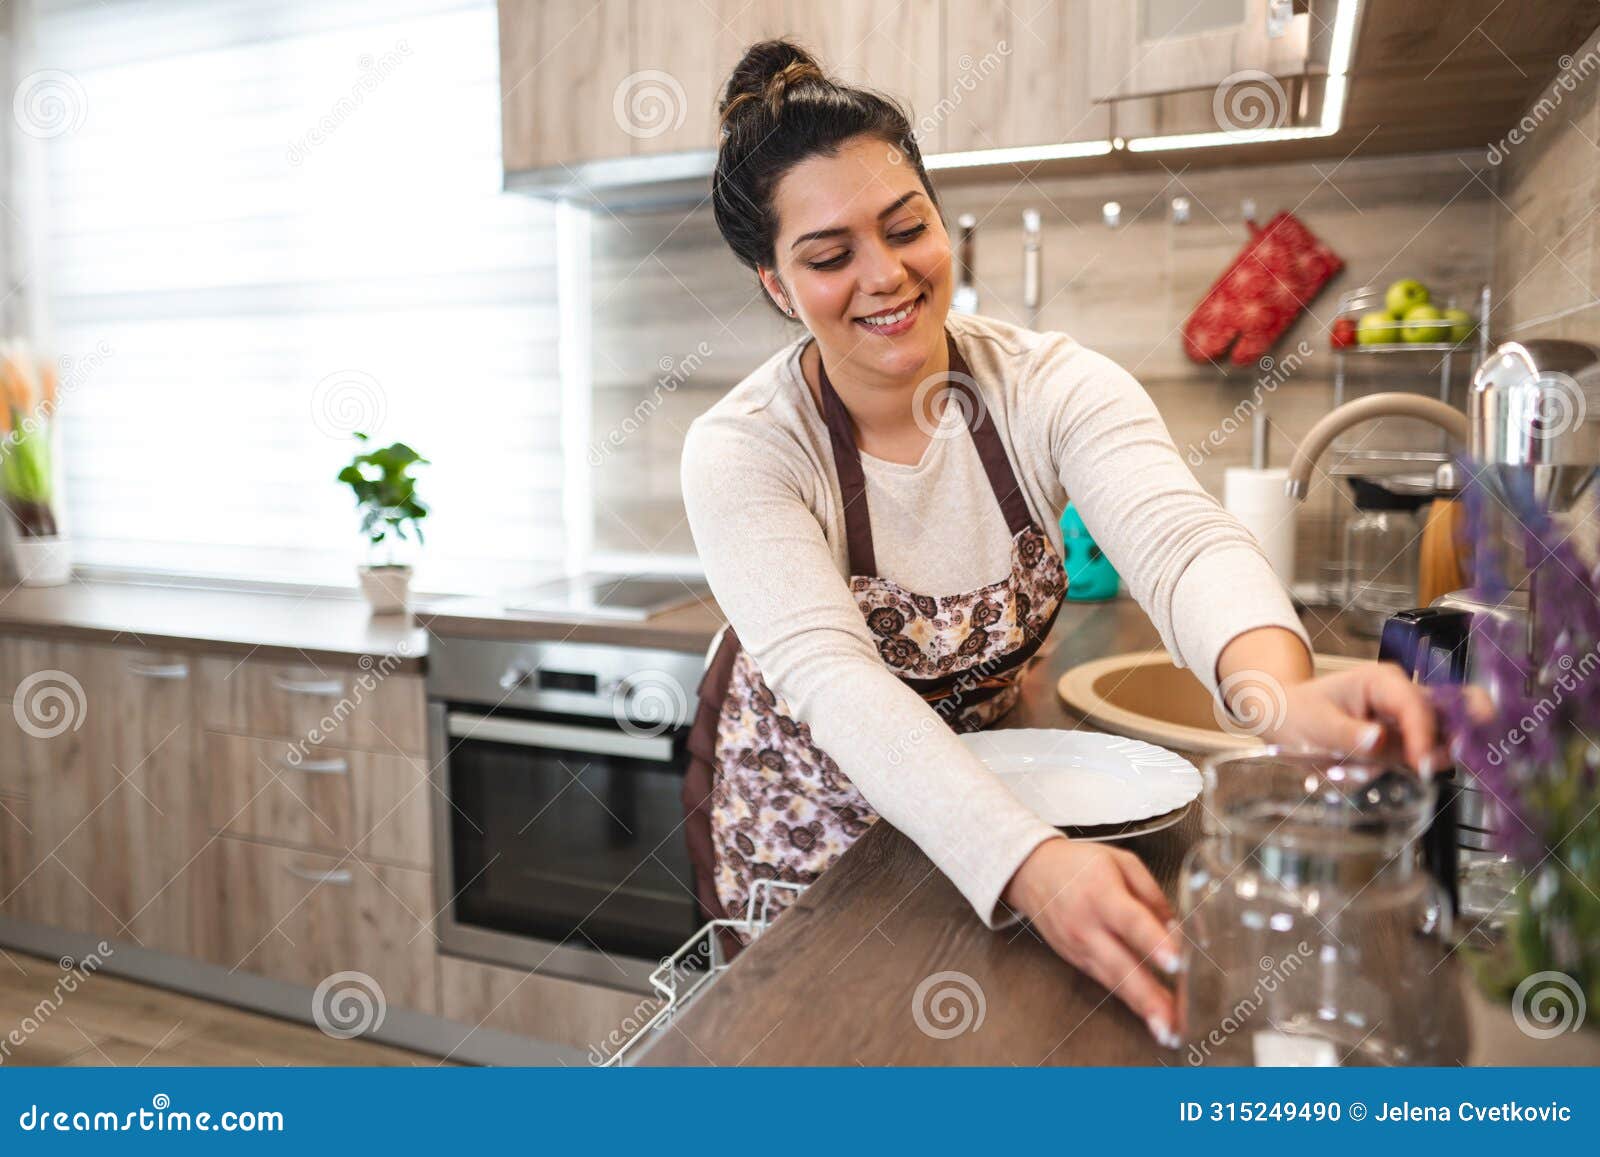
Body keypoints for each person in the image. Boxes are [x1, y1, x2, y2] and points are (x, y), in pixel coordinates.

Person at [679, 40, 1442, 1049]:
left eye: (907, 226)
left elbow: (1176, 541)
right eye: (828, 256)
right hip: (808, 825)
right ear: (776, 285)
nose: (886, 274)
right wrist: (1030, 862)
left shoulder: (1046, 383)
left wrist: (1279, 697)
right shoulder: (745, 448)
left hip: (994, 800)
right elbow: (836, 681)